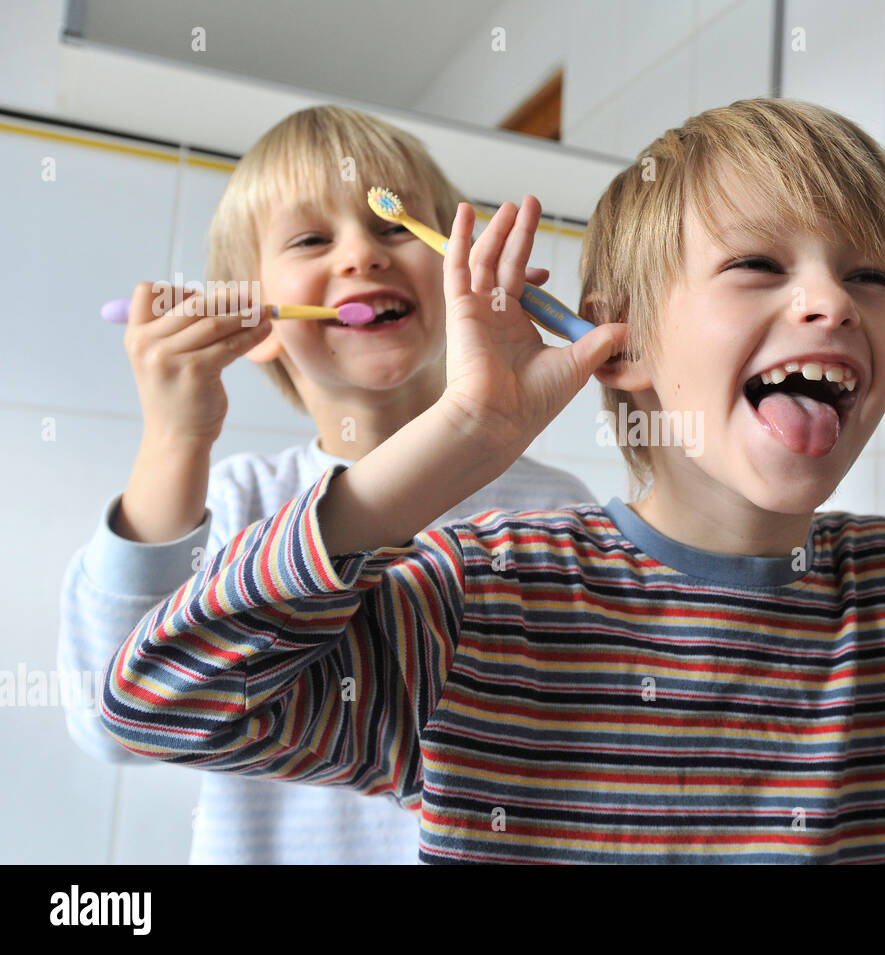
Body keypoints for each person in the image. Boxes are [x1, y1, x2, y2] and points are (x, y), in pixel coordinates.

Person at [99, 98, 885, 863]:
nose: (827, 302)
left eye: (871, 281)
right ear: (623, 344)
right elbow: (157, 702)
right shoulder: (484, 605)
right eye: (758, 264)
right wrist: (462, 431)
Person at [59, 105, 592, 864]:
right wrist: (177, 437)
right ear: (256, 318)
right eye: (312, 239)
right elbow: (111, 721)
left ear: (455, 272)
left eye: (396, 226)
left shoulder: (552, 505)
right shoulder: (237, 503)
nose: (361, 256)